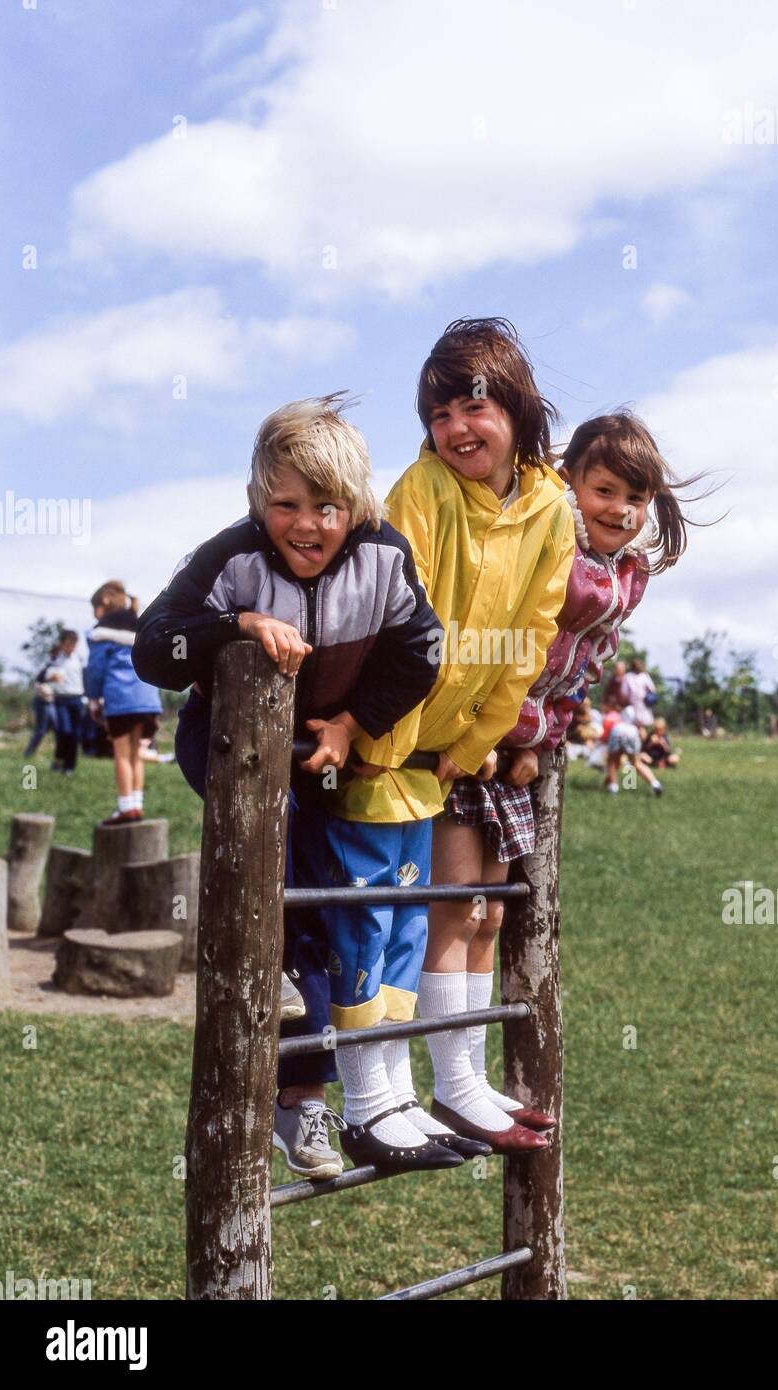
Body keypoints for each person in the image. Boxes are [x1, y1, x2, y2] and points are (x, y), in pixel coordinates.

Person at [133, 394, 468, 1180]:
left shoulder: (386, 558)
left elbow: (420, 653)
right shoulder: (233, 558)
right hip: (229, 742)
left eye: (327, 506)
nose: (306, 525)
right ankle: (272, 974)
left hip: (320, 754)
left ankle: (298, 1102)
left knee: (317, 921)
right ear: (258, 501)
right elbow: (155, 646)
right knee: (273, 888)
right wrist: (239, 627)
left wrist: (352, 726)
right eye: (285, 504)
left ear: (356, 505)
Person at [354, 318, 576, 1154]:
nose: (454, 429)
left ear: (516, 409)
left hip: (451, 751)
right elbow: (394, 619)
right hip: (384, 740)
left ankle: (456, 1082)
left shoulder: (551, 508)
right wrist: (390, 736)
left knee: (449, 915)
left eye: (470, 408)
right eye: (438, 415)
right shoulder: (425, 492)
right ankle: (370, 1098)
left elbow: (534, 635)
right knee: (373, 921)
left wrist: (477, 736)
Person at [502, 410, 691, 812]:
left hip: (531, 740)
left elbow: (584, 669)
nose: (621, 510)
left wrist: (542, 741)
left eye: (635, 499)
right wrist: (477, 739)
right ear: (568, 482)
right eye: (605, 491)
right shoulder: (544, 540)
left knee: (511, 869)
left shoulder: (629, 572)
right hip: (477, 726)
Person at [85, 583, 164, 823]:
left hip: (120, 699)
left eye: (94, 608)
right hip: (146, 697)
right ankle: (137, 806)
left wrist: (93, 699)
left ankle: (125, 807)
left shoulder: (101, 634)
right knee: (135, 755)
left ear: (103, 606)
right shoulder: (141, 627)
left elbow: (95, 670)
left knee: (121, 754)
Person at [44, 632, 85, 775]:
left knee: (75, 734)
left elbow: (85, 676)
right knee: (64, 731)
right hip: (61, 699)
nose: (70, 648)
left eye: (73, 645)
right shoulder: (54, 658)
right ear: (61, 644)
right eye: (67, 645)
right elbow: (44, 676)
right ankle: (59, 759)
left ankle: (69, 766)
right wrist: (51, 677)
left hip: (77, 699)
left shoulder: (79, 658)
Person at [24, 646, 59, 759]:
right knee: (41, 730)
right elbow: (37, 682)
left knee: (58, 728)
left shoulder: (60, 666)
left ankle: (60, 755)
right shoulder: (46, 666)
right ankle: (29, 753)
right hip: (42, 701)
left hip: (53, 701)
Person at [624, 657, 657, 728]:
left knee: (648, 723)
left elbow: (653, 689)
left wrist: (648, 697)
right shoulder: (628, 676)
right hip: (633, 705)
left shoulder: (644, 676)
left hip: (644, 704)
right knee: (633, 725)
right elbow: (624, 692)